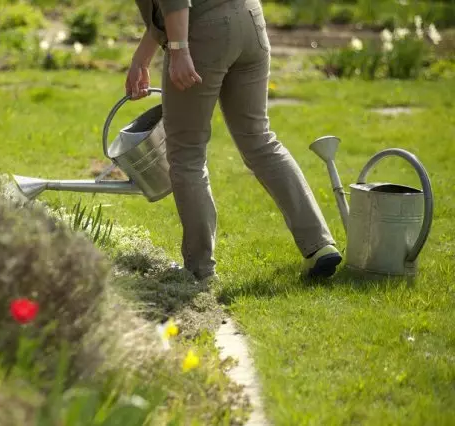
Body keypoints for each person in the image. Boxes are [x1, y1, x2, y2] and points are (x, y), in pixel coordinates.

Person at [126, 0, 342, 281]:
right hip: (248, 19)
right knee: (260, 140)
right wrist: (142, 58)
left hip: (203, 33)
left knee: (186, 153)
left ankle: (199, 270)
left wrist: (179, 49)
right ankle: (320, 245)